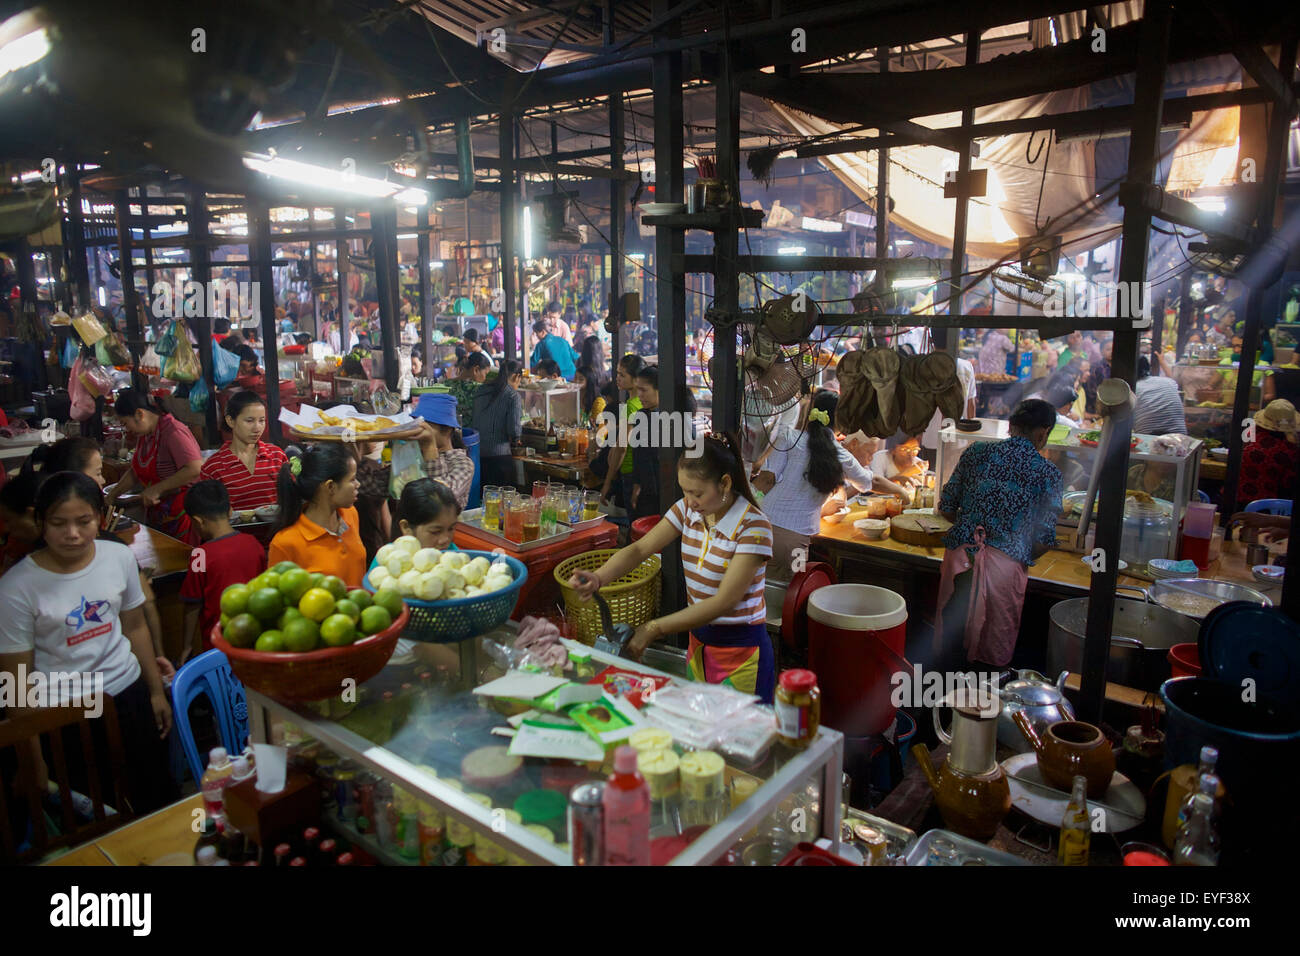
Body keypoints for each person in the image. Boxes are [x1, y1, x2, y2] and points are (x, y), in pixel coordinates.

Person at [0, 471, 177, 813]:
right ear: (40, 521)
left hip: (127, 695)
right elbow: (14, 680)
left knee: (154, 799)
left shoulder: (118, 557)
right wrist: (31, 756)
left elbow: (135, 625)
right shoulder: (16, 588)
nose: (72, 534)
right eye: (58, 523)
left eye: (83, 521)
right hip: (65, 716)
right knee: (97, 813)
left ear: (99, 516)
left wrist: (155, 691)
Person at [568, 433, 777, 702]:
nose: (689, 501)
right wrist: (598, 578)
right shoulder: (688, 511)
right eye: (685, 491)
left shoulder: (753, 527)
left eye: (697, 493)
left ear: (724, 483)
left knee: (737, 737)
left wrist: (654, 628)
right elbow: (640, 549)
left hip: (741, 655)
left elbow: (724, 601)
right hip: (699, 646)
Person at [935, 399, 1063, 669]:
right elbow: (1043, 540)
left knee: (949, 652)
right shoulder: (1047, 472)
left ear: (1011, 426)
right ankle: (979, 707)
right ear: (1043, 432)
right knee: (988, 662)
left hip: (960, 560)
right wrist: (1013, 548)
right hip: (1003, 573)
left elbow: (946, 507)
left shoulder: (976, 451)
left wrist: (971, 524)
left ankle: (940, 707)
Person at [752, 391, 875, 583]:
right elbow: (866, 482)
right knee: (790, 592)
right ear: (840, 422)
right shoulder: (840, 455)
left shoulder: (789, 438)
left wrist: (747, 507)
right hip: (796, 544)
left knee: (756, 588)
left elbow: (766, 481)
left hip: (760, 530)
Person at [180, 481, 267, 655]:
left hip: (218, 644)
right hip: (254, 636)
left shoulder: (200, 554)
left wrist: (186, 646)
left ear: (197, 521)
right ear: (230, 511)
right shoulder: (253, 543)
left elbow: (192, 604)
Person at [106, 390, 203, 541]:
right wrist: (112, 495)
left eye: (125, 423)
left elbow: (195, 468)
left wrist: (157, 489)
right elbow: (135, 471)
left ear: (139, 414)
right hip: (159, 513)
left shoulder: (173, 431)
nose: (126, 429)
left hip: (182, 513)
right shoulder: (146, 434)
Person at [268, 443, 366, 587]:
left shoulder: (350, 515)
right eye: (352, 479)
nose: (358, 484)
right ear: (330, 486)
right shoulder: (285, 543)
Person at [199, 390, 287, 512]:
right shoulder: (213, 467)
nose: (257, 428)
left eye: (262, 421)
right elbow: (210, 513)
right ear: (230, 421)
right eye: (249, 421)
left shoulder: (277, 456)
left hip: (277, 529)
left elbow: (290, 495)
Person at [595, 354, 645, 508]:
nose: (617, 378)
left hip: (629, 471)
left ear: (636, 379)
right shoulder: (641, 403)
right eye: (617, 373)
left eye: (622, 375)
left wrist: (607, 482)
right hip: (639, 472)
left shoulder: (629, 407)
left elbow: (621, 448)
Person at [471, 359, 523, 488]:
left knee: (486, 500)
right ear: (517, 376)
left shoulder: (481, 390)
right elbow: (514, 431)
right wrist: (518, 439)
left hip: (478, 456)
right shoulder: (512, 396)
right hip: (499, 459)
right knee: (502, 501)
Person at [1239, 399, 1300, 505]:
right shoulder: (1290, 449)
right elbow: (1289, 483)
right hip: (1268, 507)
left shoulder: (1252, 432)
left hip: (1234, 499)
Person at [397, 477, 462, 551]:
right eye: (435, 532)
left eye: (451, 529)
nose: (445, 540)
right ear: (406, 527)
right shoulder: (389, 558)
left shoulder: (452, 552)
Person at [1133, 354, 1187, 435]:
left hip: (1146, 441)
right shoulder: (1169, 382)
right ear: (1148, 367)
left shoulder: (1132, 389)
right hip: (1180, 438)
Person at [447, 352, 491, 428]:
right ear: (476, 370)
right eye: (486, 374)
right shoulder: (478, 389)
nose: (485, 378)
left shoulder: (446, 384)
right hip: (470, 436)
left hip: (446, 434)